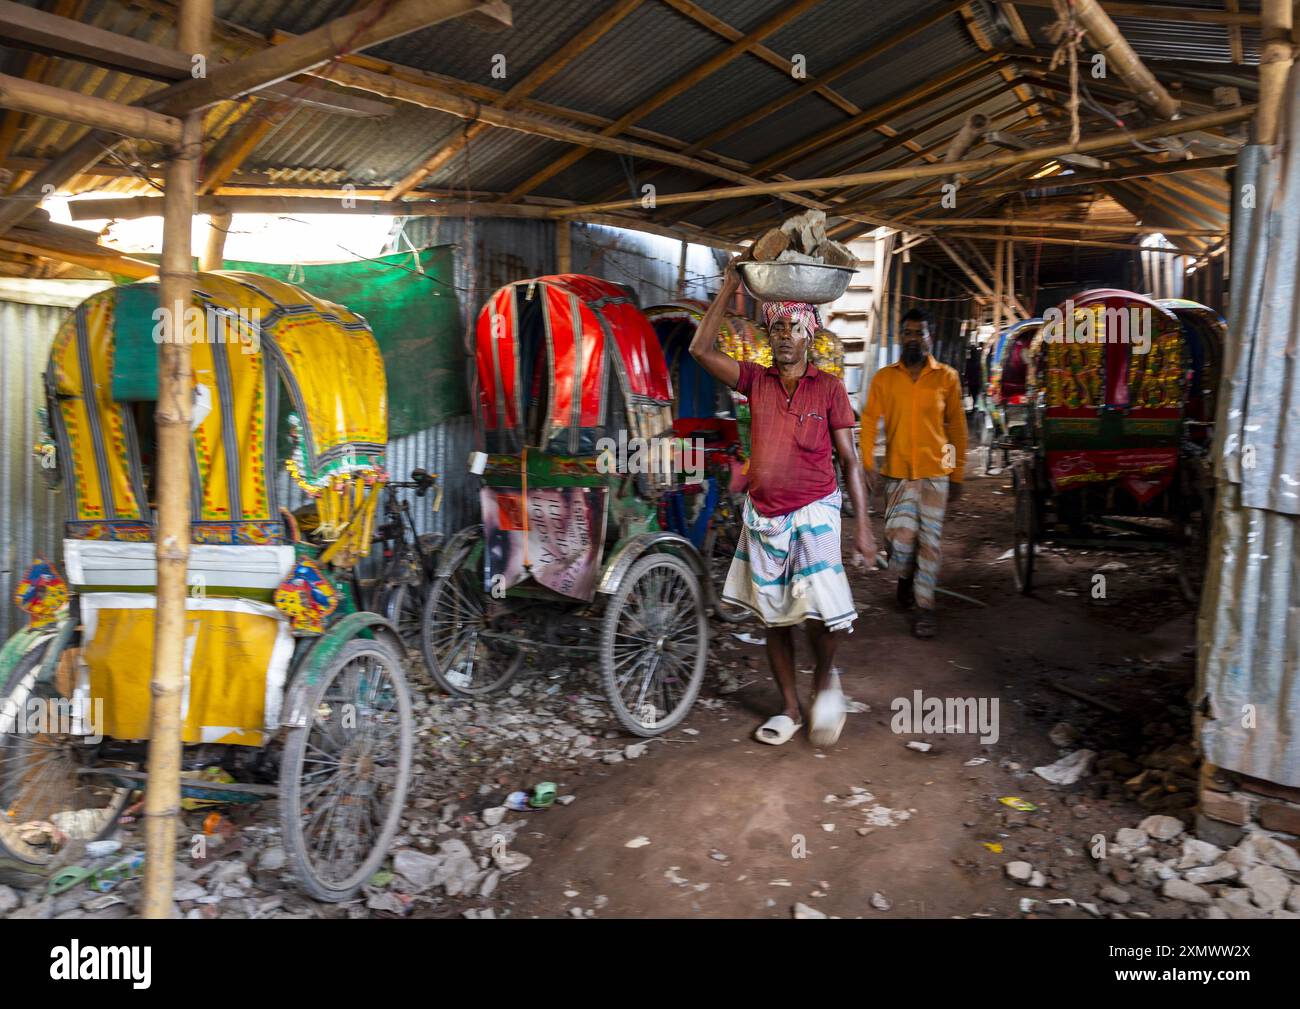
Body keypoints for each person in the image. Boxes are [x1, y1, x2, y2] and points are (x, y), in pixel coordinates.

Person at [690, 260, 872, 748]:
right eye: (776, 327)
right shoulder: (756, 381)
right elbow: (699, 349)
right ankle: (791, 707)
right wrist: (730, 285)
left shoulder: (830, 389)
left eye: (793, 326)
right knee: (775, 616)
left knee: (825, 610)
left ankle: (824, 678)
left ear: (809, 334)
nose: (784, 335)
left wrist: (864, 526)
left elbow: (850, 461)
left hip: (816, 511)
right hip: (765, 516)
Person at [860, 308, 967, 639]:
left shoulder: (946, 377)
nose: (913, 338)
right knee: (899, 540)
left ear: (929, 338)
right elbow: (867, 421)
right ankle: (905, 575)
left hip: (937, 473)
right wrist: (866, 463)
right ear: (900, 337)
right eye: (907, 332)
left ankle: (924, 608)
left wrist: (958, 473)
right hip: (897, 474)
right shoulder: (884, 378)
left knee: (930, 543)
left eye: (919, 333)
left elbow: (958, 428)